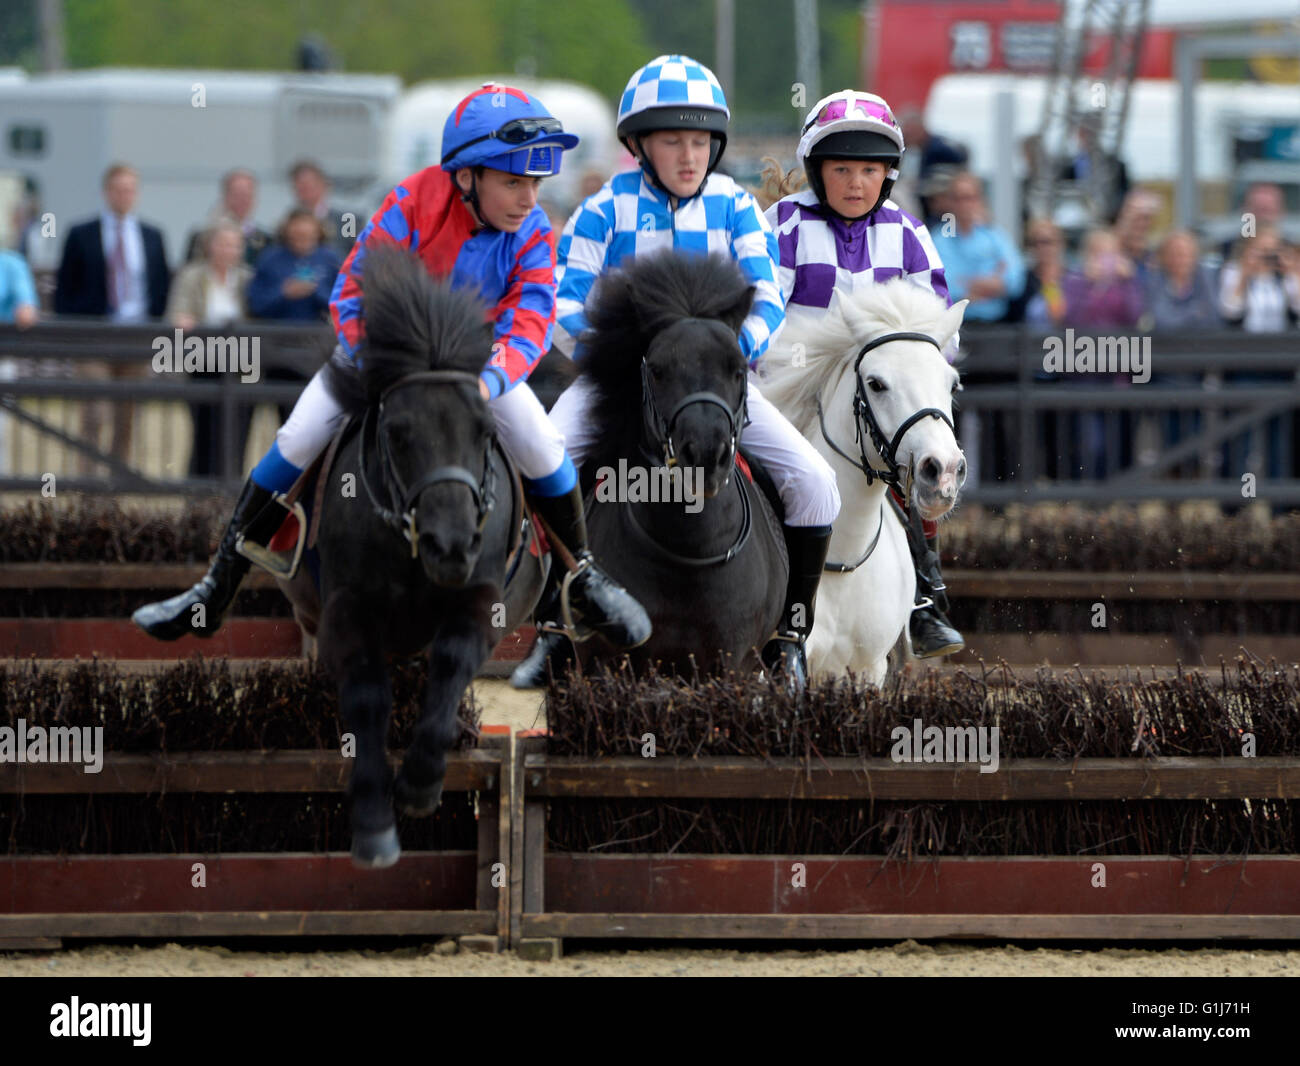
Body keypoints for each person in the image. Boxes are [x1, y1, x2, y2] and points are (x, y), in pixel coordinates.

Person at [133, 84, 650, 654]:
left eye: (535, 183)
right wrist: (384, 367)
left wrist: (486, 381)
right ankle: (217, 586)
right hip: (380, 356)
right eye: (513, 182)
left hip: (478, 368)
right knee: (298, 435)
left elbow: (531, 321)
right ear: (465, 177)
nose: (529, 199)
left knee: (546, 451)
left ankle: (584, 578)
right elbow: (351, 293)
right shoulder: (412, 200)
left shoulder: (532, 232)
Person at [515, 54, 841, 692]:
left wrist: (731, 353)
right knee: (540, 463)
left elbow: (769, 292)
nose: (689, 156)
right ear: (639, 144)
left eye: (700, 141)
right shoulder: (604, 209)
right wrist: (627, 361)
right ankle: (554, 632)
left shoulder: (735, 207)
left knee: (817, 485)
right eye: (673, 141)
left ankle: (788, 638)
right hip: (622, 386)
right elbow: (561, 300)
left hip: (717, 389)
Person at [763, 89, 963, 660]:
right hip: (792, 388)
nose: (855, 182)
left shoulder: (909, 233)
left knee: (920, 454)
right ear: (816, 172)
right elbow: (761, 311)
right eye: (842, 169)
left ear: (889, 175)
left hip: (879, 399)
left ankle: (926, 597)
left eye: (869, 170)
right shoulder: (784, 225)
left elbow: (939, 327)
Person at [54, 163, 170, 472]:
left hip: (136, 335)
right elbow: (65, 290)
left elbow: (160, 286)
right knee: (95, 411)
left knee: (127, 412)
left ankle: (118, 482)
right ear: (106, 192)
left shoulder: (152, 236)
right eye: (118, 189)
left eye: (129, 189)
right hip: (94, 335)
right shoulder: (81, 234)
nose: (124, 196)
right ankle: (87, 483)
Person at [165, 221, 255, 477]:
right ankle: (198, 490)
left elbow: (257, 317)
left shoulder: (249, 278)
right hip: (202, 362)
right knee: (203, 428)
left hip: (241, 366)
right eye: (223, 243)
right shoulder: (192, 275)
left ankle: (231, 489)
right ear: (209, 245)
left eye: (235, 245)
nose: (228, 250)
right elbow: (178, 314)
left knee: (237, 431)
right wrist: (185, 320)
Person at [246, 209, 340, 323]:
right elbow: (255, 305)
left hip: (317, 332)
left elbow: (343, 305)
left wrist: (315, 291)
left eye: (307, 237)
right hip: (275, 331)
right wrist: (283, 292)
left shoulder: (330, 259)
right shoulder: (269, 259)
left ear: (317, 234)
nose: (301, 242)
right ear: (287, 234)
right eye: (297, 236)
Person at [183, 168, 272, 267]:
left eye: (247, 195)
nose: (242, 200)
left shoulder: (266, 240)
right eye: (236, 194)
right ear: (224, 196)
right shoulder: (200, 237)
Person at [290, 160, 353, 262]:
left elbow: (357, 254)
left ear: (324, 185)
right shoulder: (289, 224)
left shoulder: (348, 220)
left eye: (309, 185)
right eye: (300, 187)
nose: (305, 191)